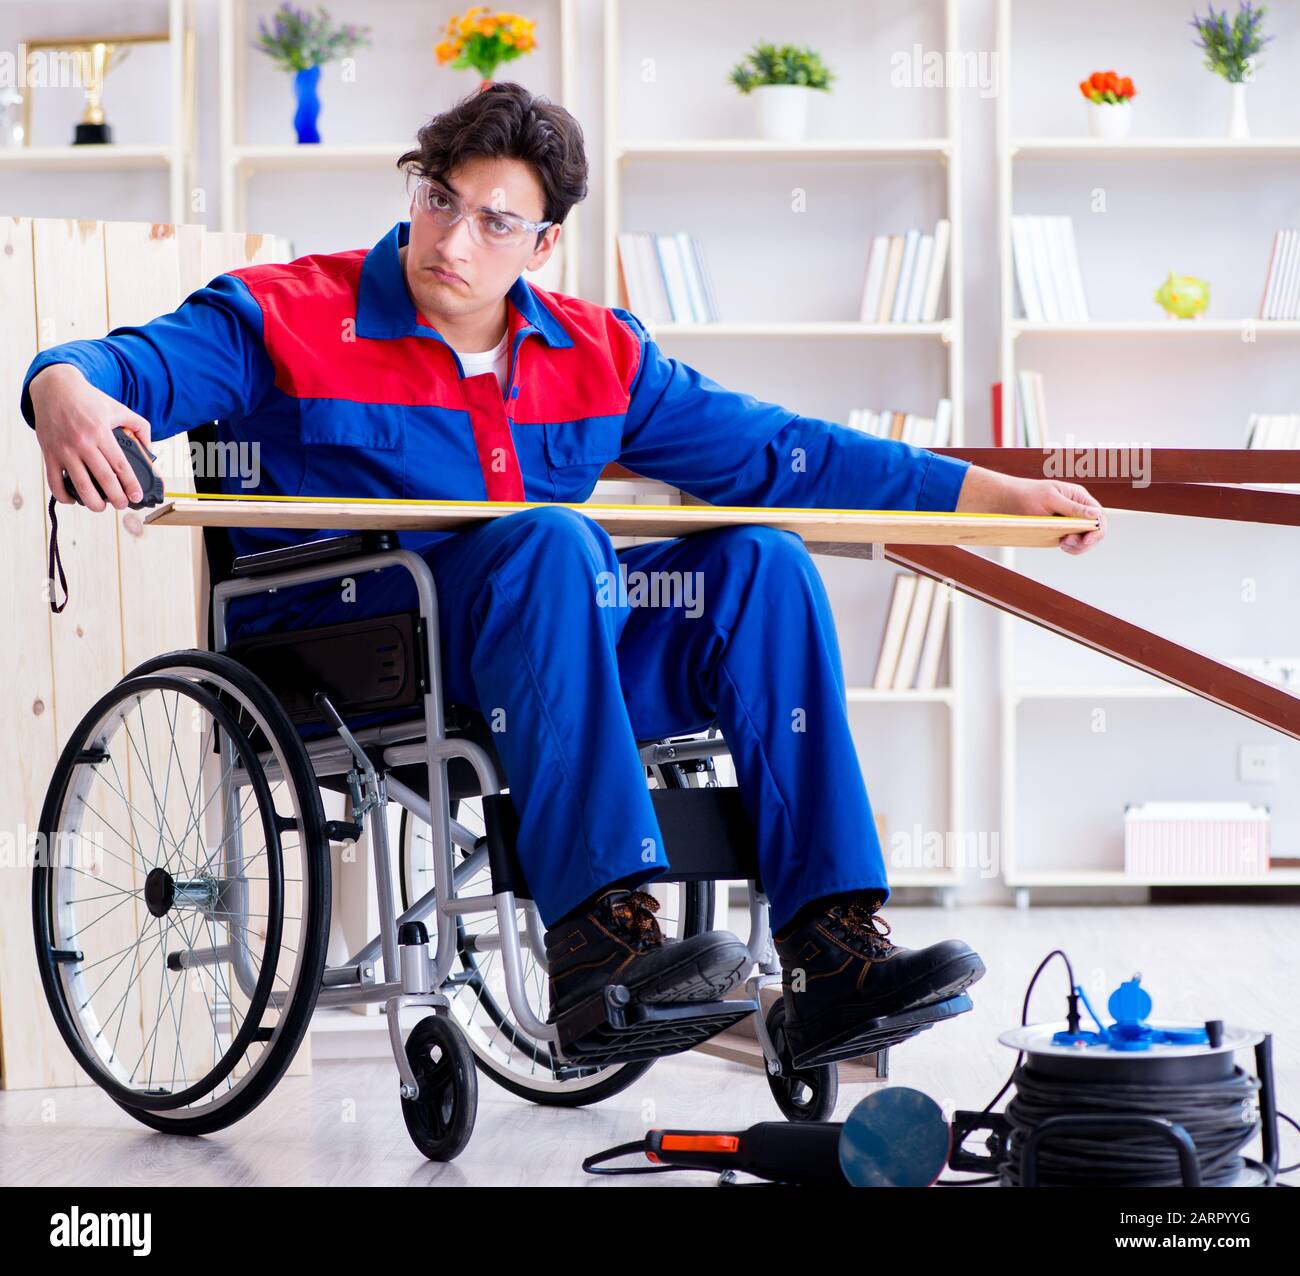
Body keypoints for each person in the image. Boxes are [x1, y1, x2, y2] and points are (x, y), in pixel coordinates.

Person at [21, 83, 1106, 1056]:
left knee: (762, 563)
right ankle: (597, 951)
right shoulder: (289, 310)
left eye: (494, 220)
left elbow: (788, 454)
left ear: (540, 245)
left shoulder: (598, 354)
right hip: (356, 659)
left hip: (549, 658)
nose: (451, 235)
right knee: (553, 538)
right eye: (440, 198)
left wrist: (990, 494)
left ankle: (831, 950)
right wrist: (61, 383)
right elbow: (132, 365)